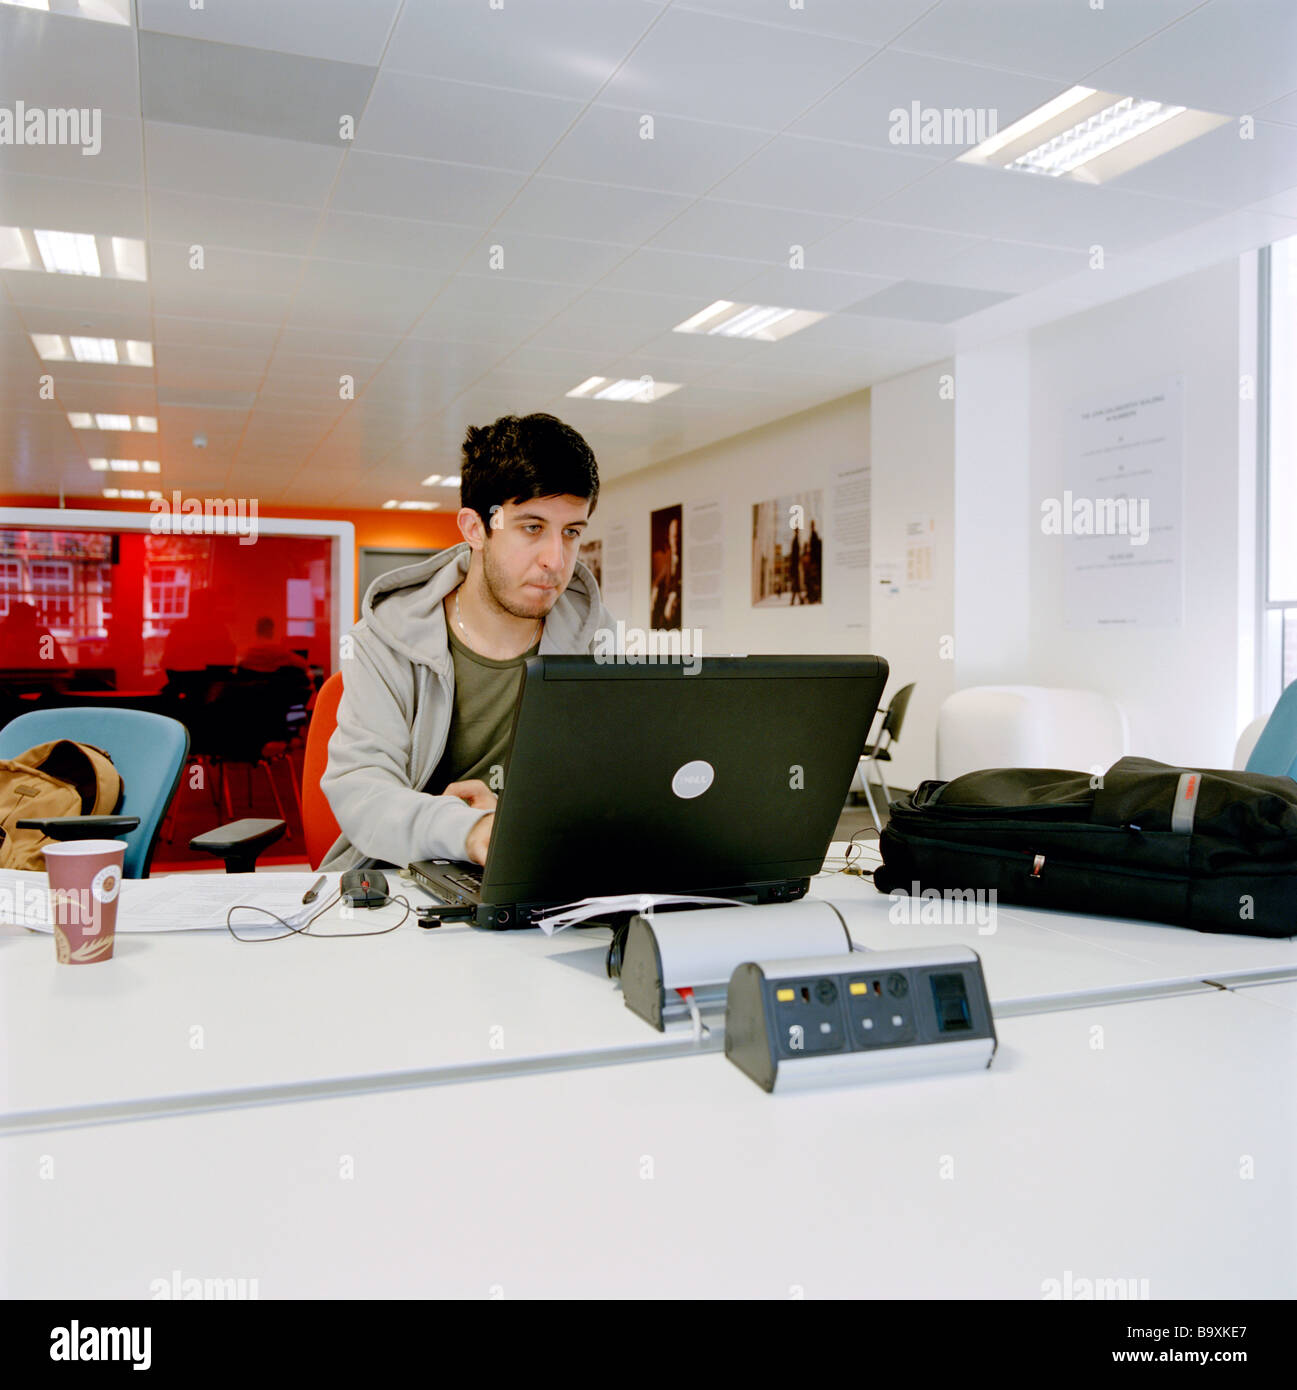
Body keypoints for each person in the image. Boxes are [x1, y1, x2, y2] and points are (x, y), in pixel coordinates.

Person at [319, 414, 615, 871]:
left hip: (543, 876)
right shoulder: (384, 641)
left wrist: (509, 817)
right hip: (400, 883)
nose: (556, 561)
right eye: (532, 527)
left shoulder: (600, 643)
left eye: (571, 532)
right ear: (475, 528)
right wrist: (473, 831)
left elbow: (623, 784)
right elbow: (362, 788)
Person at [238, 616, 311, 676]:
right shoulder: (279, 652)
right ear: (271, 631)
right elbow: (304, 664)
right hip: (276, 691)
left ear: (257, 631)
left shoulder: (247, 654)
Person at [650, 514, 681, 629]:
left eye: (678, 537)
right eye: (674, 537)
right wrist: (655, 588)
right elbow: (659, 579)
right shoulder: (667, 558)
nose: (676, 541)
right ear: (669, 538)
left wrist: (674, 594)